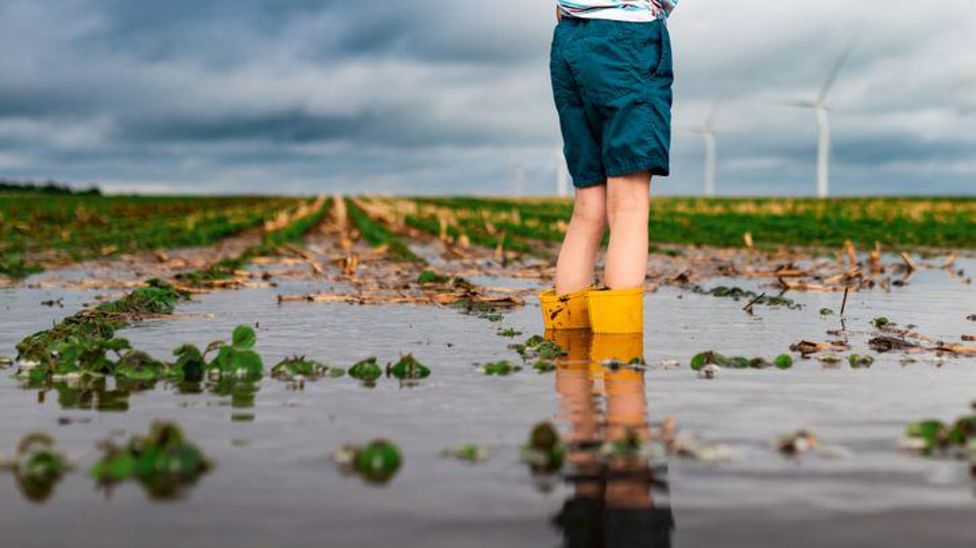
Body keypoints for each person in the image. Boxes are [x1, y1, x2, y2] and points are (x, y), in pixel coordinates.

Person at [540, 0, 676, 335]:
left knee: (589, 206)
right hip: (627, 37)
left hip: (569, 39)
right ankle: (619, 359)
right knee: (628, 205)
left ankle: (568, 359)